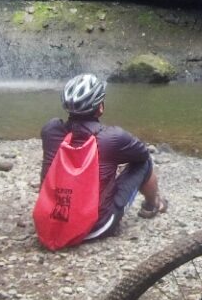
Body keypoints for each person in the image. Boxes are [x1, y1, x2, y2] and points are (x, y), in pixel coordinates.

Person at [40, 73, 167, 241]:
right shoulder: (113, 137)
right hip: (95, 228)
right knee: (144, 163)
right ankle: (152, 205)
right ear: (100, 107)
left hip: (50, 223)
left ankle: (63, 218)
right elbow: (142, 154)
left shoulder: (50, 130)